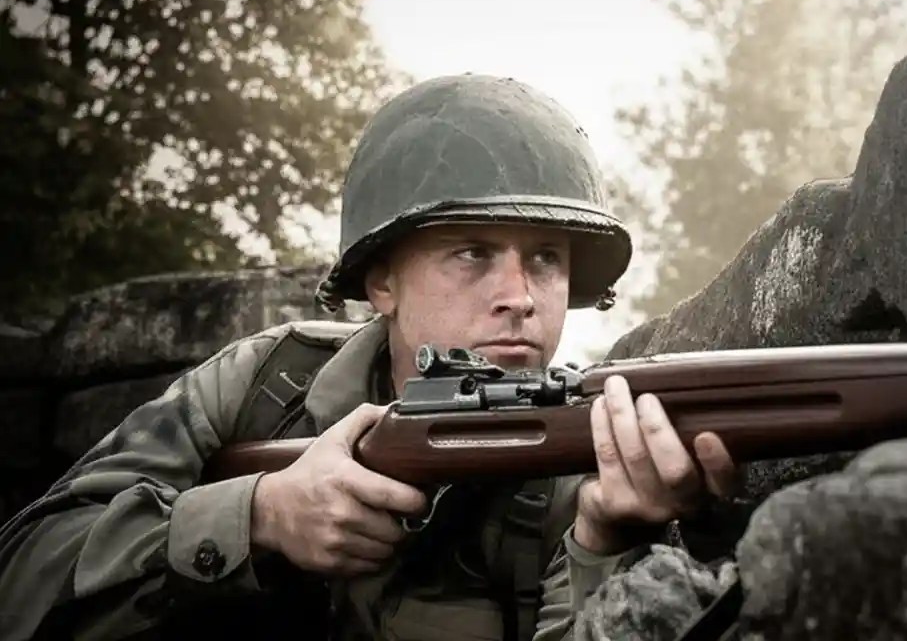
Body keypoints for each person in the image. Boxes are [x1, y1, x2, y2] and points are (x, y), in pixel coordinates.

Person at [0, 74, 738, 640]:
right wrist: (259, 516)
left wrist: (603, 544)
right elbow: (20, 576)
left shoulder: (592, 466)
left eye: (545, 259)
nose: (520, 295)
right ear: (381, 280)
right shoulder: (262, 387)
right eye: (473, 253)